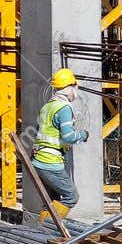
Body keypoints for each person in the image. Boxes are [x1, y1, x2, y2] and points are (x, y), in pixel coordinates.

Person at [31, 67, 89, 221]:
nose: (76, 90)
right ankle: (51, 227)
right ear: (70, 87)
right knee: (71, 196)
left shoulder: (47, 106)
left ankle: (43, 234)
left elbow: (43, 132)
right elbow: (69, 136)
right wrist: (83, 135)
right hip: (50, 161)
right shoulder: (64, 108)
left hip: (39, 159)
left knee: (51, 201)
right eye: (75, 86)